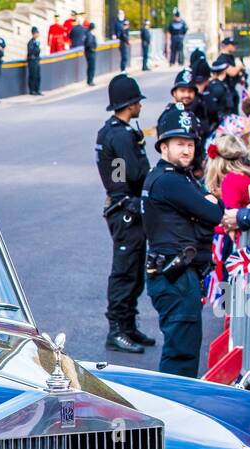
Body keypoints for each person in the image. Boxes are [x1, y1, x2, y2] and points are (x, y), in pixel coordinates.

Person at [143, 104, 225, 377]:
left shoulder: (176, 178)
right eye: (180, 143)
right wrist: (215, 201)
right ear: (163, 147)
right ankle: (174, 411)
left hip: (177, 274)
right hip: (175, 275)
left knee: (184, 348)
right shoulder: (170, 181)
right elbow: (212, 213)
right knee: (181, 354)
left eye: (190, 144)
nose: (187, 150)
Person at [97, 75, 152, 354]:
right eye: (138, 101)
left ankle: (128, 326)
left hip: (122, 206)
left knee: (133, 270)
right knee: (125, 272)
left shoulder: (111, 132)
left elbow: (118, 171)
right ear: (130, 104)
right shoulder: (121, 135)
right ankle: (117, 330)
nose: (140, 106)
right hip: (126, 211)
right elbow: (134, 172)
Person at [26, 26, 43, 96]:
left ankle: (37, 89)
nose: (37, 34)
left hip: (36, 60)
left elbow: (38, 51)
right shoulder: (31, 42)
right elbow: (31, 51)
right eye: (36, 33)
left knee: (38, 76)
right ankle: (32, 90)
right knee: (32, 76)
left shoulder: (37, 42)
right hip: (32, 61)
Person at [84, 21, 99, 86]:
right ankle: (90, 81)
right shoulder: (90, 35)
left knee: (90, 67)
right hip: (90, 53)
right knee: (92, 67)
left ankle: (89, 80)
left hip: (89, 52)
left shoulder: (88, 34)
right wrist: (92, 48)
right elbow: (89, 44)